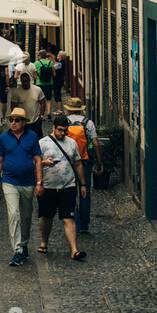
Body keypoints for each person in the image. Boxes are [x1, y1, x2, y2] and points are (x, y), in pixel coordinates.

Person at [0, 108, 43, 267]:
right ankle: (18, 250)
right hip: (9, 181)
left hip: (28, 183)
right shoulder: (4, 137)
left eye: (17, 120)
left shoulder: (32, 136)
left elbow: (38, 160)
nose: (13, 123)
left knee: (26, 217)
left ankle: (24, 244)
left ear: (24, 122)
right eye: (11, 120)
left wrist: (39, 182)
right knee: (14, 214)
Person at [36, 112, 87, 261]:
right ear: (53, 127)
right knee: (46, 217)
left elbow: (78, 163)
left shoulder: (72, 143)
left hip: (68, 186)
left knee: (68, 218)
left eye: (65, 130)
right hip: (48, 187)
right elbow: (35, 163)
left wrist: (83, 184)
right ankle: (44, 242)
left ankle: (74, 250)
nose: (62, 133)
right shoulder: (42, 143)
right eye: (60, 130)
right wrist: (44, 164)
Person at [63, 96, 104, 234]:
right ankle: (85, 224)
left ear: (69, 110)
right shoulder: (88, 123)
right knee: (85, 190)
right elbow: (96, 143)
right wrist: (99, 162)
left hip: (68, 162)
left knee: (70, 192)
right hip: (85, 160)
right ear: (80, 110)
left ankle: (75, 220)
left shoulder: (64, 122)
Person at [7, 65, 47, 137]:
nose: (25, 83)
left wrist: (41, 115)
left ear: (29, 80)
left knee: (38, 138)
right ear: (21, 81)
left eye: (26, 81)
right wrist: (16, 119)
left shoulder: (37, 89)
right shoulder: (17, 91)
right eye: (23, 81)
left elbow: (43, 102)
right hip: (22, 121)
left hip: (35, 120)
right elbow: (13, 106)